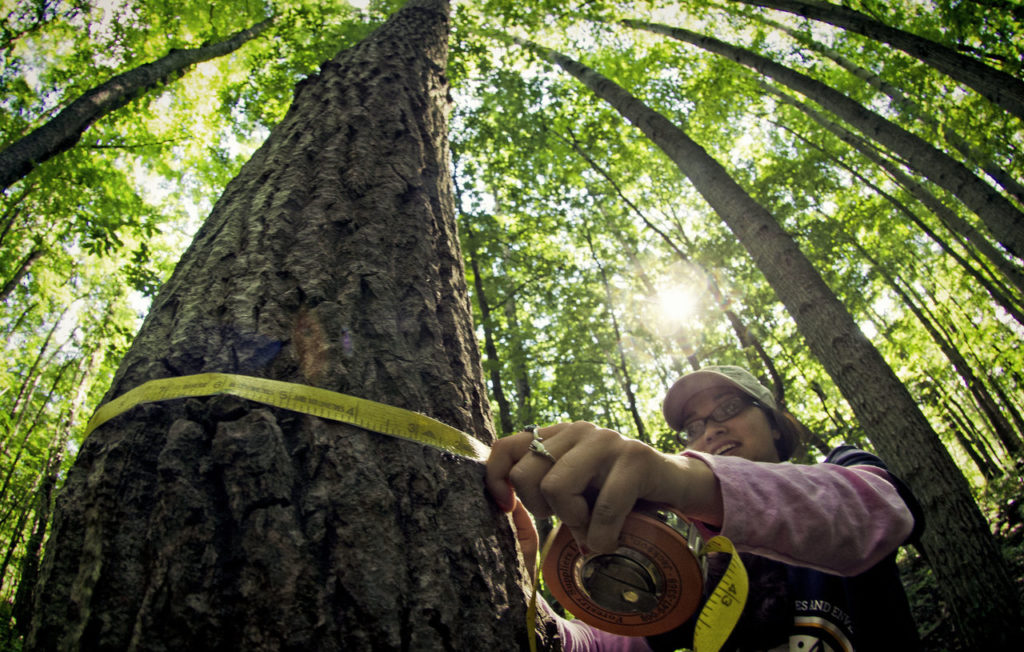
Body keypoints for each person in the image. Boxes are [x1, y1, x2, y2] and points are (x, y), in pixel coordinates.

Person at [486, 365, 923, 651]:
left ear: (773, 420)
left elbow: (881, 513)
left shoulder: (842, 469)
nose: (711, 431)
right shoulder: (689, 558)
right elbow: (606, 645)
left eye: (728, 409)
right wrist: (524, 596)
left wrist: (679, 478)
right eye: (693, 428)